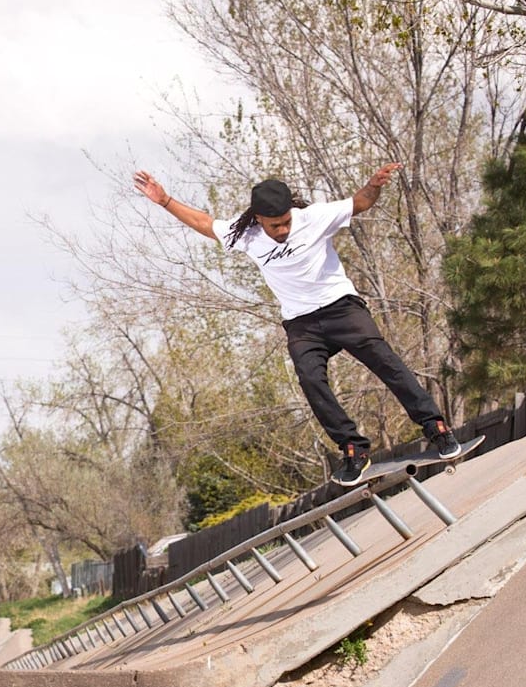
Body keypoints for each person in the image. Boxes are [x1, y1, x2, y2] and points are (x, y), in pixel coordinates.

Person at [132, 163, 462, 485]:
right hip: (302, 324)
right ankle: (353, 449)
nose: (283, 230)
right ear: (258, 219)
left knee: (384, 360)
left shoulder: (314, 218)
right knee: (309, 379)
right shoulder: (244, 233)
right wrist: (165, 201)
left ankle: (435, 427)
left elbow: (359, 202)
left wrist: (374, 184)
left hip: (341, 308)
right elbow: (205, 223)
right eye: (275, 226)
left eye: (286, 222)